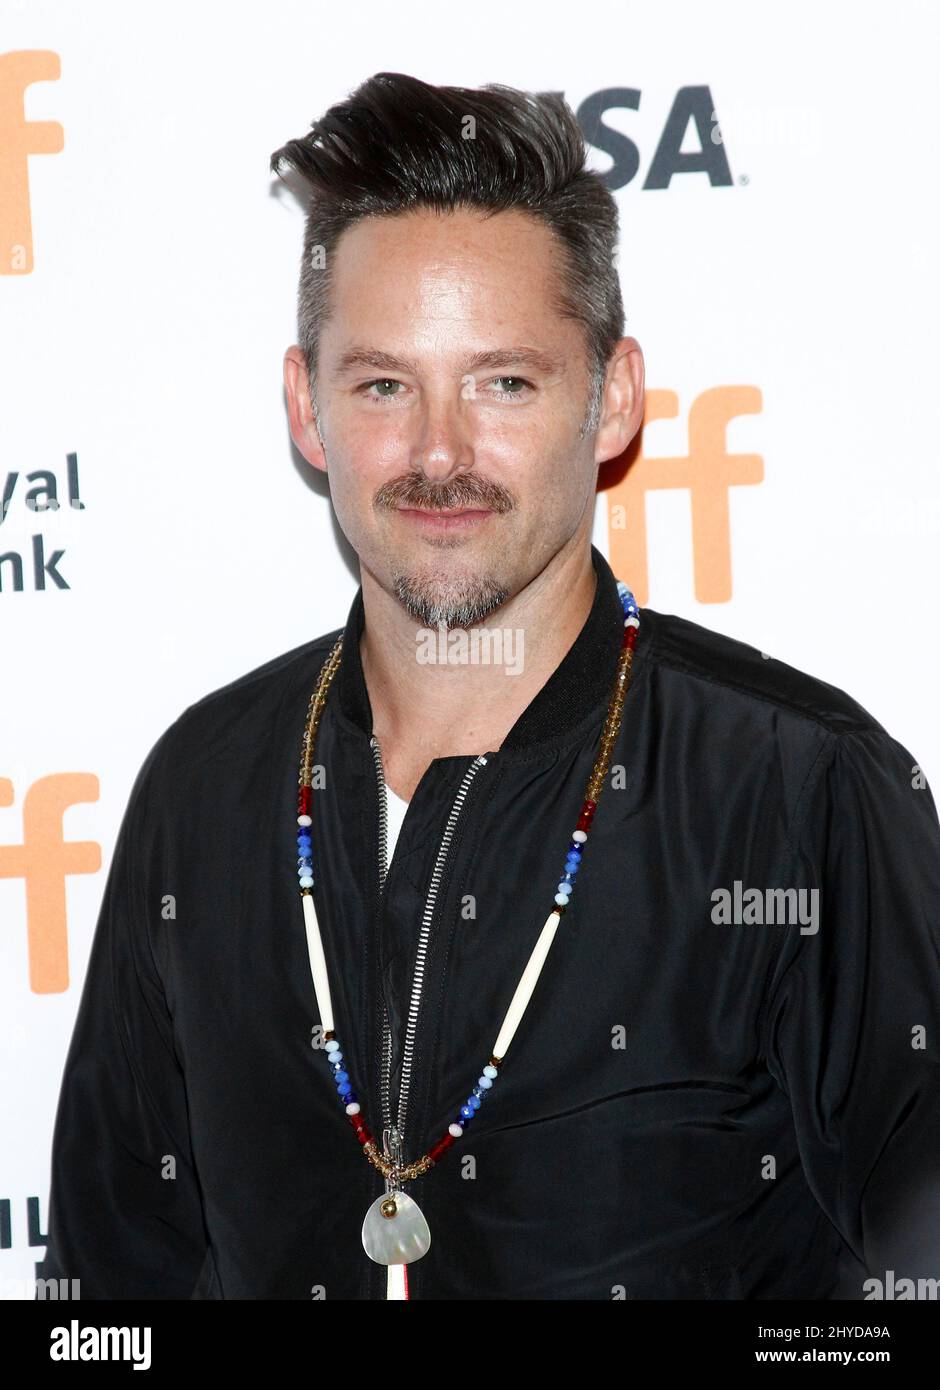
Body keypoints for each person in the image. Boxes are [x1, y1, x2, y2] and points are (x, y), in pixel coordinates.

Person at [39, 71, 940, 1301]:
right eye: (382, 385)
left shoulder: (800, 790)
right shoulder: (204, 788)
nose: (440, 454)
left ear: (612, 396)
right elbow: (110, 1299)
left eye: (504, 382)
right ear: (307, 408)